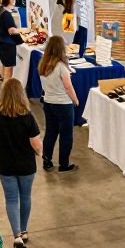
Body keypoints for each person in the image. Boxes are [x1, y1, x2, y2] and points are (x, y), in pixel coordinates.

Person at [0, 78, 43, 248]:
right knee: (25, 197)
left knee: (11, 199)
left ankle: (17, 235)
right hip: (26, 165)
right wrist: (41, 155)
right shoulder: (27, 115)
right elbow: (36, 143)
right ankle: (25, 230)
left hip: (6, 164)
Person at [38, 35, 79, 173]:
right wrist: (75, 100)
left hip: (48, 103)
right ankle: (64, 164)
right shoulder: (61, 66)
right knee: (66, 134)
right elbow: (68, 87)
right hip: (63, 104)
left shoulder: (42, 64)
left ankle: (47, 160)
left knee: (50, 132)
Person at [0, 0, 24, 82]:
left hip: (1, 42)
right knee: (8, 70)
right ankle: (6, 92)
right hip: (7, 44)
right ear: (10, 1)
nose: (14, 0)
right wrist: (20, 32)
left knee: (5, 67)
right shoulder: (7, 14)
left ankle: (4, 88)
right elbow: (11, 31)